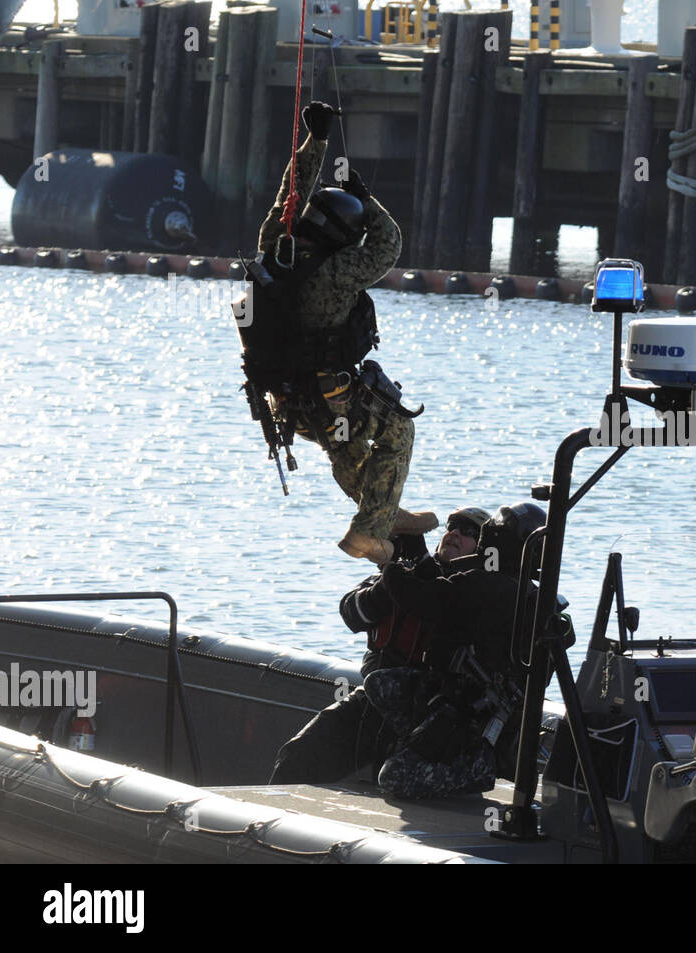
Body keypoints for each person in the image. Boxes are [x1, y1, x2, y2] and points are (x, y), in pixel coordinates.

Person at [243, 99, 423, 565]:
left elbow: (291, 195)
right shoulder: (342, 268)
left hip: (287, 399)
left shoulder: (274, 248)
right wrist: (366, 198)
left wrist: (315, 140)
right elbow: (391, 242)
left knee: (344, 448)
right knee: (397, 431)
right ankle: (369, 532)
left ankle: (380, 513)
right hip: (332, 394)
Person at [268, 506, 491, 785]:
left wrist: (422, 570)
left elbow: (447, 611)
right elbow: (352, 612)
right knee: (297, 756)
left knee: (392, 778)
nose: (456, 533)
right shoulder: (400, 572)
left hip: (435, 715)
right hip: (374, 701)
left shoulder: (480, 592)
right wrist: (392, 579)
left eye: (469, 532)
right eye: (452, 526)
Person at [364, 502, 546, 799]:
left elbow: (422, 598)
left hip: (472, 717)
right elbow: (444, 588)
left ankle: (474, 770)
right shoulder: (528, 594)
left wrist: (390, 564)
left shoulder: (487, 587)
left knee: (393, 777)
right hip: (462, 698)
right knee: (381, 683)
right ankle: (422, 740)